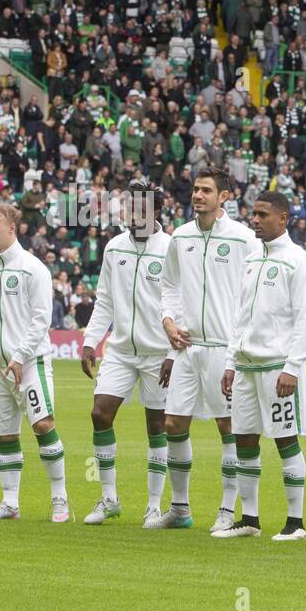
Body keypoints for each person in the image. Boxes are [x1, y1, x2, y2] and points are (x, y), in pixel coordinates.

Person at [160, 166, 258, 533]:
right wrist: (169, 322)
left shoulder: (243, 239)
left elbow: (254, 293)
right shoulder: (179, 237)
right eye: (195, 189)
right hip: (188, 347)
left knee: (228, 427)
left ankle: (227, 510)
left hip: (224, 349)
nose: (198, 195)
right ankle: (180, 509)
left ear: (224, 196)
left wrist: (241, 343)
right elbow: (168, 287)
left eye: (206, 190)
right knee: (173, 423)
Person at [219, 192, 306, 541]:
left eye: (263, 214)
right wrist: (231, 361)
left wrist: (292, 367)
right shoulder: (251, 260)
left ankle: (296, 523)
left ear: (284, 218)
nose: (256, 220)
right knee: (243, 440)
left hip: (278, 368)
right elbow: (240, 316)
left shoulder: (300, 262)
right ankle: (249, 519)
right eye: (253, 214)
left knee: (285, 441)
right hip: (247, 368)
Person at [81, 179, 175, 527]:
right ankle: (109, 499)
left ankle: (153, 505)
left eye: (139, 207)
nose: (132, 213)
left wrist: (173, 352)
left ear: (155, 211)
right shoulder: (114, 247)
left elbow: (178, 302)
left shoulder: (171, 248)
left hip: (159, 353)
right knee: (100, 414)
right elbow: (104, 298)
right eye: (128, 206)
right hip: (120, 350)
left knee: (157, 425)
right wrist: (91, 341)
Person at [0, 204, 70, 523]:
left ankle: (60, 499)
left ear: (12, 227)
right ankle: (10, 503)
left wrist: (18, 357)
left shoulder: (34, 269)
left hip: (30, 364)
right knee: (5, 434)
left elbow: (42, 320)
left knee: (43, 425)